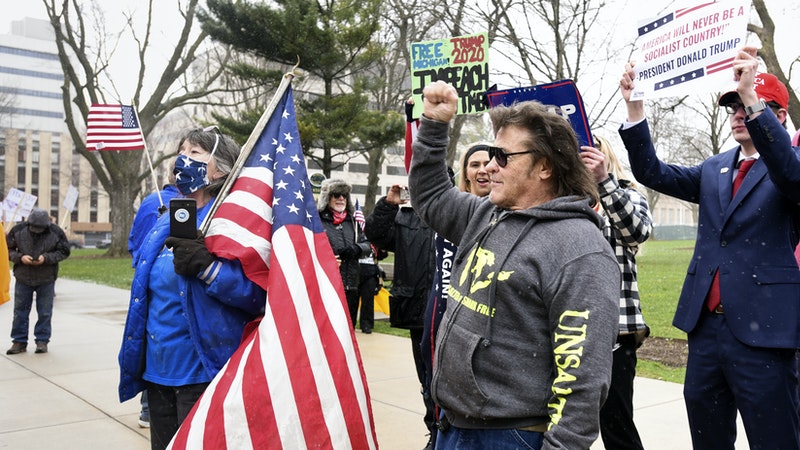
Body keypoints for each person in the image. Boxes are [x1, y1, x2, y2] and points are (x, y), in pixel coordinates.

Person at [408, 80, 619, 449]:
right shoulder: (486, 213)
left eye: (503, 157)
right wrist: (434, 124)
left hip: (512, 436)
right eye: (492, 153)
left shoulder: (582, 252)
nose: (489, 167)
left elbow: (582, 380)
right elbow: (430, 197)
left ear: (544, 168)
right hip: (453, 426)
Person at [618, 47, 800, 449]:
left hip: (765, 333)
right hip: (707, 331)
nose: (738, 112)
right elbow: (653, 172)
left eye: (747, 103)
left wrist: (753, 96)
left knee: (776, 439)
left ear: (779, 116)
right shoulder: (714, 167)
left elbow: (790, 172)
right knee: (708, 436)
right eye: (732, 105)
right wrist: (635, 111)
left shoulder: (791, 165)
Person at [118, 126, 266, 450]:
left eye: (195, 153)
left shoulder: (232, 220)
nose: (183, 159)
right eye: (181, 151)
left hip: (201, 373)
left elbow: (259, 295)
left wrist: (209, 269)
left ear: (222, 168)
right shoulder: (171, 214)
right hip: (157, 372)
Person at [581, 135, 652, 450]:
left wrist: (603, 183)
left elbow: (636, 231)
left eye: (592, 147)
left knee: (617, 426)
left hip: (616, 330)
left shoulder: (629, 193)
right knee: (563, 426)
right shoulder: (560, 197)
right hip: (566, 330)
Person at [420, 142, 491, 449]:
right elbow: (423, 177)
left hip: (479, 316)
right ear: (464, 172)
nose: (483, 169)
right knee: (431, 378)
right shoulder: (454, 207)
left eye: (489, 162)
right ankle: (435, 430)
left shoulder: (505, 212)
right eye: (474, 164)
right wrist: (419, 124)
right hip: (440, 309)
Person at [364, 183, 438, 447]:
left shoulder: (455, 213)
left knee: (448, 381)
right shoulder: (406, 216)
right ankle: (435, 432)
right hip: (418, 311)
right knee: (427, 380)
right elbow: (374, 234)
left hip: (450, 312)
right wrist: (388, 204)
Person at [126, 160, 179, 430]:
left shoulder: (150, 201)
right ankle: (148, 409)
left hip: (146, 280)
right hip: (164, 282)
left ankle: (148, 410)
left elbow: (132, 241)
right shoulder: (164, 203)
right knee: (159, 341)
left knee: (152, 340)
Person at [6, 208, 71, 355]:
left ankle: (42, 341)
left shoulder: (56, 232)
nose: (37, 231)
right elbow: (7, 250)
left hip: (46, 277)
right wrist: (20, 257)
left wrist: (46, 258)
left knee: (45, 312)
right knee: (20, 311)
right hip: (23, 276)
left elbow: (64, 251)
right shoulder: (17, 230)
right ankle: (19, 341)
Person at [317, 179, 371, 329]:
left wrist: (357, 249)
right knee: (327, 330)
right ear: (328, 198)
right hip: (326, 286)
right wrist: (326, 260)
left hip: (351, 286)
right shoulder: (318, 221)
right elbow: (307, 248)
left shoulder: (353, 222)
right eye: (336, 194)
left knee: (348, 329)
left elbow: (368, 245)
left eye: (344, 195)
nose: (341, 198)